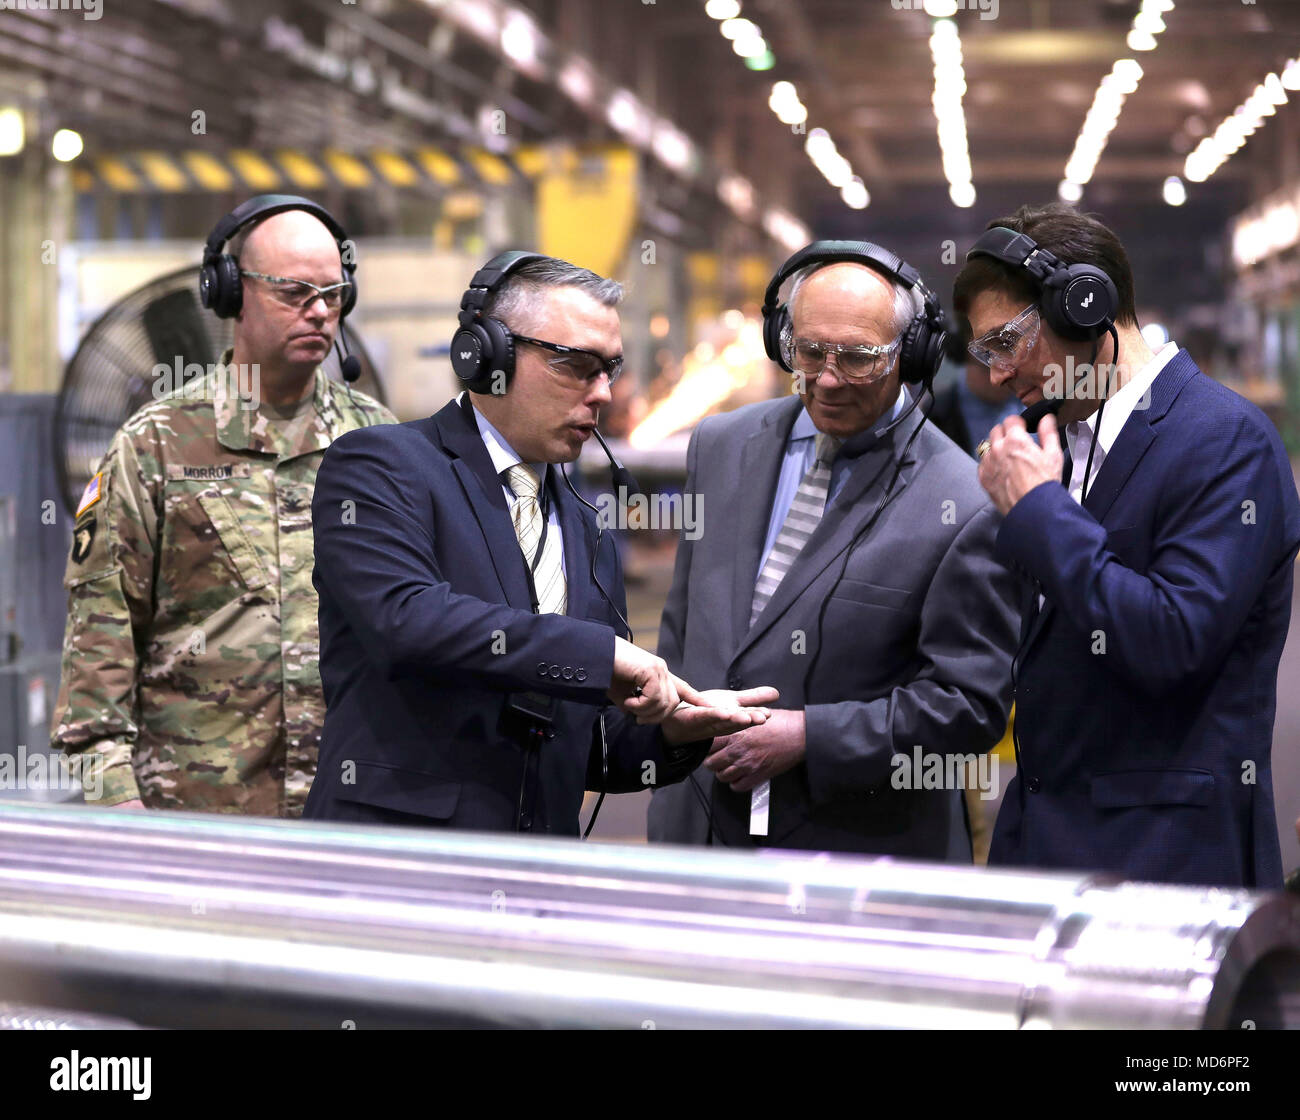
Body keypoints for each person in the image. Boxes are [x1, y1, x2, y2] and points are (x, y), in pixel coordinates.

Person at [303, 252, 775, 834]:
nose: (602, 393)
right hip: (403, 865)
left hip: (538, 875)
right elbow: (406, 621)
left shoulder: (586, 528)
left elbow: (591, 747)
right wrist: (601, 655)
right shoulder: (381, 466)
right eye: (577, 366)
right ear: (488, 355)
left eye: (611, 369)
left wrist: (675, 729)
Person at [956, 202, 1300, 888]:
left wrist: (1039, 510)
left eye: (1007, 341)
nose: (995, 374)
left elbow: (1171, 639)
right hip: (1044, 852)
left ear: (1084, 305)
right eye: (983, 352)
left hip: (1166, 861)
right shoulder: (1056, 436)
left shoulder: (1224, 441)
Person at [647, 241, 1021, 855]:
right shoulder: (720, 445)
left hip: (854, 853)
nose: (825, 378)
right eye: (811, 351)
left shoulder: (964, 501)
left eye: (858, 359)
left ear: (912, 354)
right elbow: (683, 628)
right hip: (698, 834)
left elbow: (966, 707)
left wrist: (809, 738)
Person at [51, 195, 396, 815]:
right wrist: (120, 807)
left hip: (348, 813)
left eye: (333, 293)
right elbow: (100, 643)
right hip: (196, 816)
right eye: (294, 292)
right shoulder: (154, 444)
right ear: (232, 292)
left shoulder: (379, 444)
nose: (319, 312)